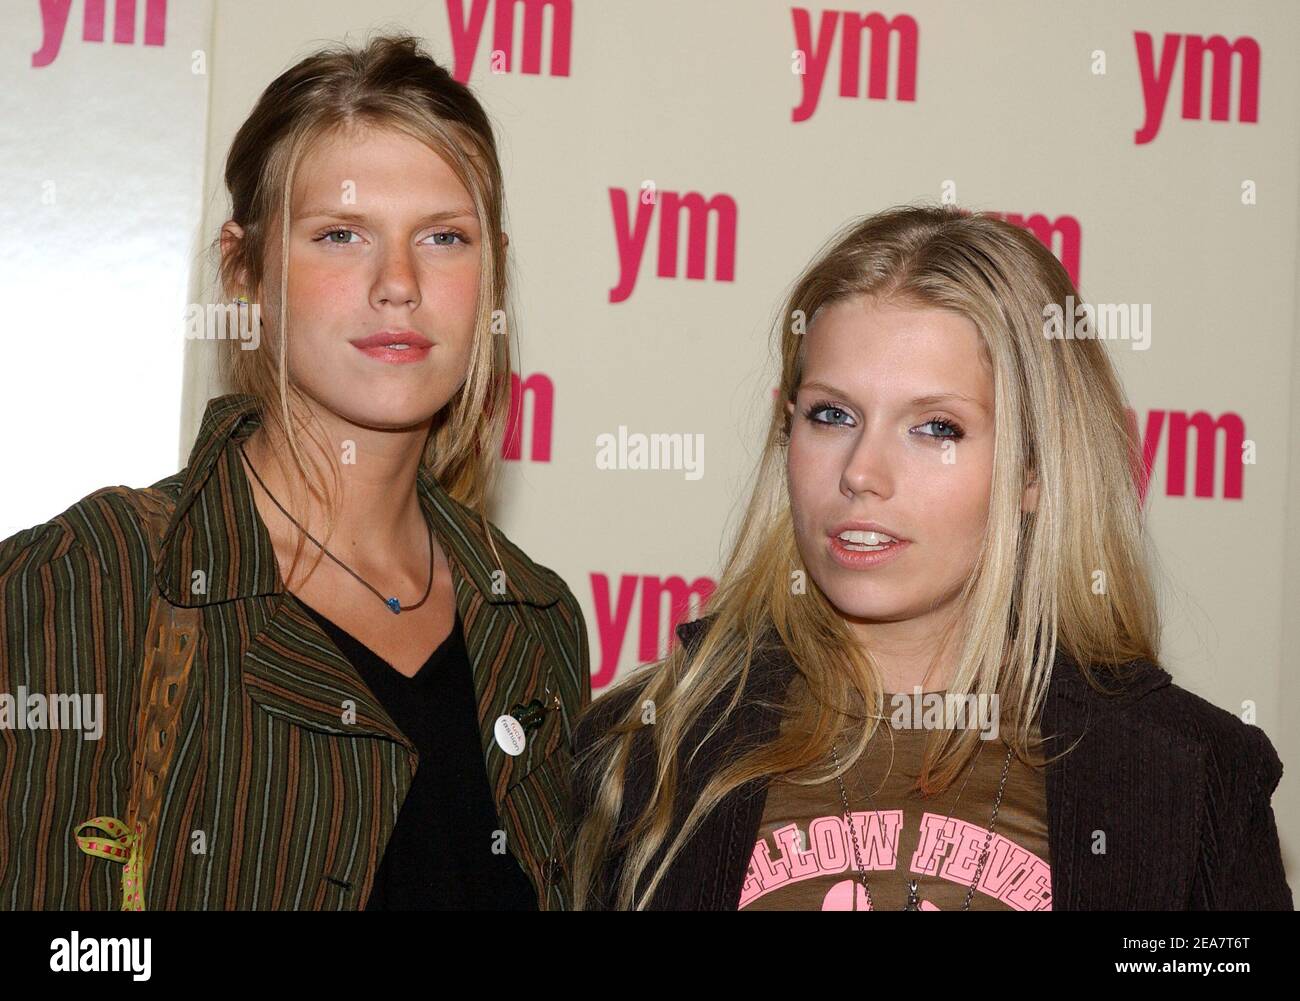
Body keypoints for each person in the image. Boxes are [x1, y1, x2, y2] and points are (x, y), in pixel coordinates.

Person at [0, 33, 589, 911]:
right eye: (341, 234)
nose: (399, 283)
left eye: (444, 237)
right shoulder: (92, 582)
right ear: (246, 271)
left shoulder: (534, 624)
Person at [569, 203, 1292, 911]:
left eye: (935, 426)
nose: (862, 471)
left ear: (1033, 471)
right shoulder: (645, 753)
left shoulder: (1190, 780)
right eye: (832, 414)